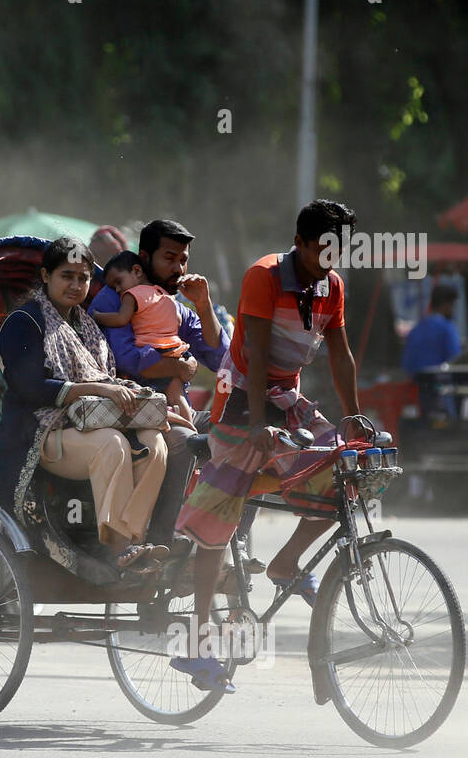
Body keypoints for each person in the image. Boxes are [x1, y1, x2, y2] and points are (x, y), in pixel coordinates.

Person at [174, 200, 363, 692]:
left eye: (339, 250)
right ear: (300, 243)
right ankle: (196, 640)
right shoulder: (265, 275)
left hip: (285, 396)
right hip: (240, 398)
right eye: (324, 248)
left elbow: (340, 355)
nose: (331, 258)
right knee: (221, 514)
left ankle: (285, 562)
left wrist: (354, 416)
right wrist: (257, 423)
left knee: (346, 472)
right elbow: (254, 353)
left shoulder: (333, 286)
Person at [0, 236, 171, 570]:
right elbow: (28, 387)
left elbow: (108, 378)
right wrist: (97, 390)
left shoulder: (87, 324)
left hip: (95, 422)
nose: (76, 285)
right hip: (43, 432)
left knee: (155, 442)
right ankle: (117, 548)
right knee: (112, 444)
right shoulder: (24, 321)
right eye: (67, 276)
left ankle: (134, 537)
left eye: (83, 277)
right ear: (46, 276)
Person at [88, 219, 227, 548]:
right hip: (129, 412)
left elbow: (221, 360)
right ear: (144, 258)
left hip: (177, 409)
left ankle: (222, 544)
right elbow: (128, 360)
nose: (178, 268)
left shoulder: (179, 309)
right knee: (183, 442)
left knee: (243, 434)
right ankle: (163, 542)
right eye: (169, 258)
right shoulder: (116, 298)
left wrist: (205, 306)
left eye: (183, 259)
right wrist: (178, 367)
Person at [90, 249, 194, 418]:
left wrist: (97, 316)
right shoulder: (163, 294)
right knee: (178, 399)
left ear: (137, 271)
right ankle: (192, 433)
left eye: (118, 282)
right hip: (175, 351)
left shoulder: (131, 295)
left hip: (153, 355)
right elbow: (178, 320)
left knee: (152, 401)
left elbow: (121, 319)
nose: (117, 290)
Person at [402, 283, 461, 376]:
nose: (453, 310)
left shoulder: (416, 329)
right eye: (453, 305)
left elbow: (407, 364)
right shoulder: (447, 329)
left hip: (417, 385)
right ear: (446, 305)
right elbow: (456, 360)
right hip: (440, 383)